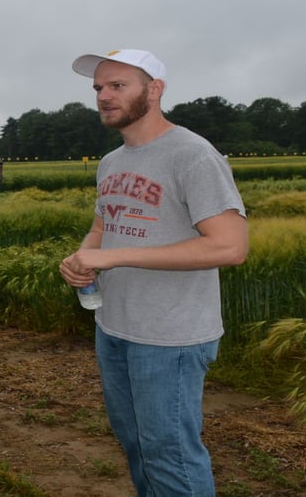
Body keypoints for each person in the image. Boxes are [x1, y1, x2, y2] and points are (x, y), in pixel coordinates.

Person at [59, 48, 248, 496]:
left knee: (170, 454)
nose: (104, 96)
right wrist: (83, 258)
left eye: (118, 86)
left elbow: (230, 246)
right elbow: (104, 225)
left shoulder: (192, 155)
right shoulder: (113, 161)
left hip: (171, 337)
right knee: (138, 446)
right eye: (99, 88)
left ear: (155, 89)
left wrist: (113, 257)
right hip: (116, 325)